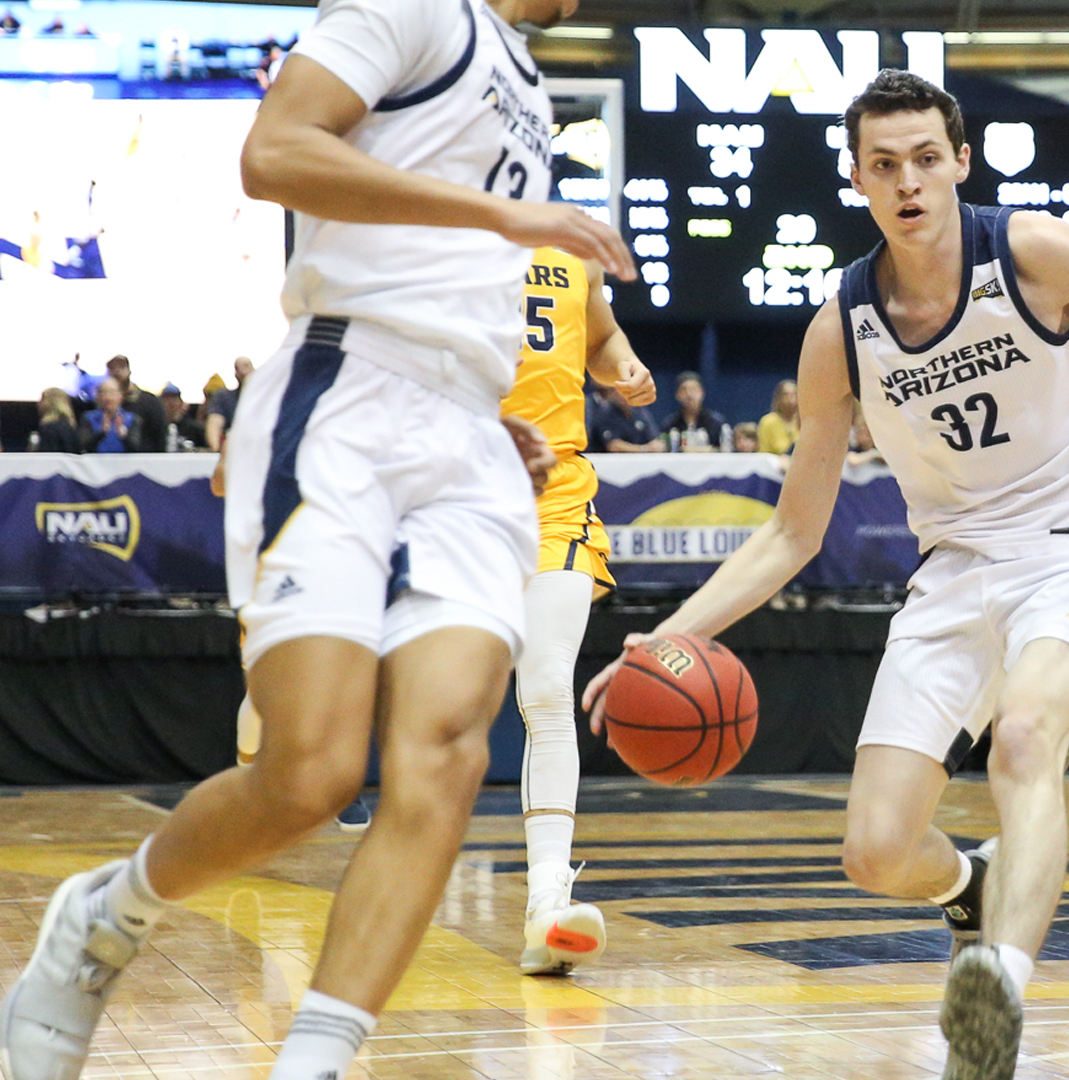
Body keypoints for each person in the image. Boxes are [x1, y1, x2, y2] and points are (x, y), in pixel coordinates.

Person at [0, 1, 633, 1079]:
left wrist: (480, 407)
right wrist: (499, 220)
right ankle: (108, 912)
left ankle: (319, 1061)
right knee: (310, 771)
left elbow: (454, 284)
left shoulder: (525, 81)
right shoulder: (414, 9)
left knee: (445, 754)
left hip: (474, 437)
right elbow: (275, 153)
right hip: (347, 395)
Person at [581, 69, 1069, 1080]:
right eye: (884, 165)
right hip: (952, 574)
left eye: (926, 160)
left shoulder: (1035, 251)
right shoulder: (838, 329)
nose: (909, 182)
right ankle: (973, 889)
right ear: (857, 179)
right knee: (877, 851)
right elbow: (790, 534)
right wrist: (679, 634)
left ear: (961, 163)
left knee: (1028, 741)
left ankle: (999, 993)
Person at [502, 246, 654, 976]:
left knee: (545, 688)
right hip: (451, 496)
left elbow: (598, 338)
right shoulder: (427, 237)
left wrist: (624, 365)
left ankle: (546, 905)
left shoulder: (569, 255)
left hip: (556, 496)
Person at [105, 355, 168, 453]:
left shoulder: (148, 401)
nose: (117, 372)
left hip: (143, 458)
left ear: (129, 371)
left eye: (121, 367)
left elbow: (160, 434)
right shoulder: (105, 403)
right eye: (112, 368)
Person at [586, 382, 661, 451]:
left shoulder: (640, 412)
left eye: (629, 391)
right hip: (611, 462)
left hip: (640, 461)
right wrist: (644, 449)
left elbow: (654, 438)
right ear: (613, 393)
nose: (624, 396)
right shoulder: (605, 414)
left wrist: (656, 446)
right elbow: (614, 446)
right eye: (621, 392)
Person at [663, 371, 726, 451]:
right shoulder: (670, 424)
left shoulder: (716, 422)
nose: (689, 395)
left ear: (702, 393)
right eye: (684, 390)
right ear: (677, 395)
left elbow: (725, 449)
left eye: (694, 389)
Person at [205, 356, 254, 451]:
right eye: (240, 367)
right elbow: (214, 423)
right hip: (231, 450)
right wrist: (217, 449)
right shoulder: (224, 397)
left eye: (247, 366)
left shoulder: (267, 399)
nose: (244, 370)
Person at [82, 376, 141, 454]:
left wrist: (123, 435)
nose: (108, 397)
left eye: (112, 392)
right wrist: (101, 433)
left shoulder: (132, 419)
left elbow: (137, 448)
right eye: (104, 392)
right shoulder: (89, 418)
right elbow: (84, 447)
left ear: (121, 395)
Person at [159, 384, 208, 450]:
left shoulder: (194, 428)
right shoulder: (157, 428)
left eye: (174, 399)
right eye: (167, 399)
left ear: (181, 403)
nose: (171, 403)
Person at [34, 388, 82, 453]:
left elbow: (47, 457)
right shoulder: (70, 427)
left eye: (42, 400)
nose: (38, 404)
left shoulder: (49, 429)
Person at [759, 378, 799, 454]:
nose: (791, 399)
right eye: (786, 395)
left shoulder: (803, 421)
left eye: (794, 394)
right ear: (778, 398)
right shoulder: (768, 421)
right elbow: (763, 453)